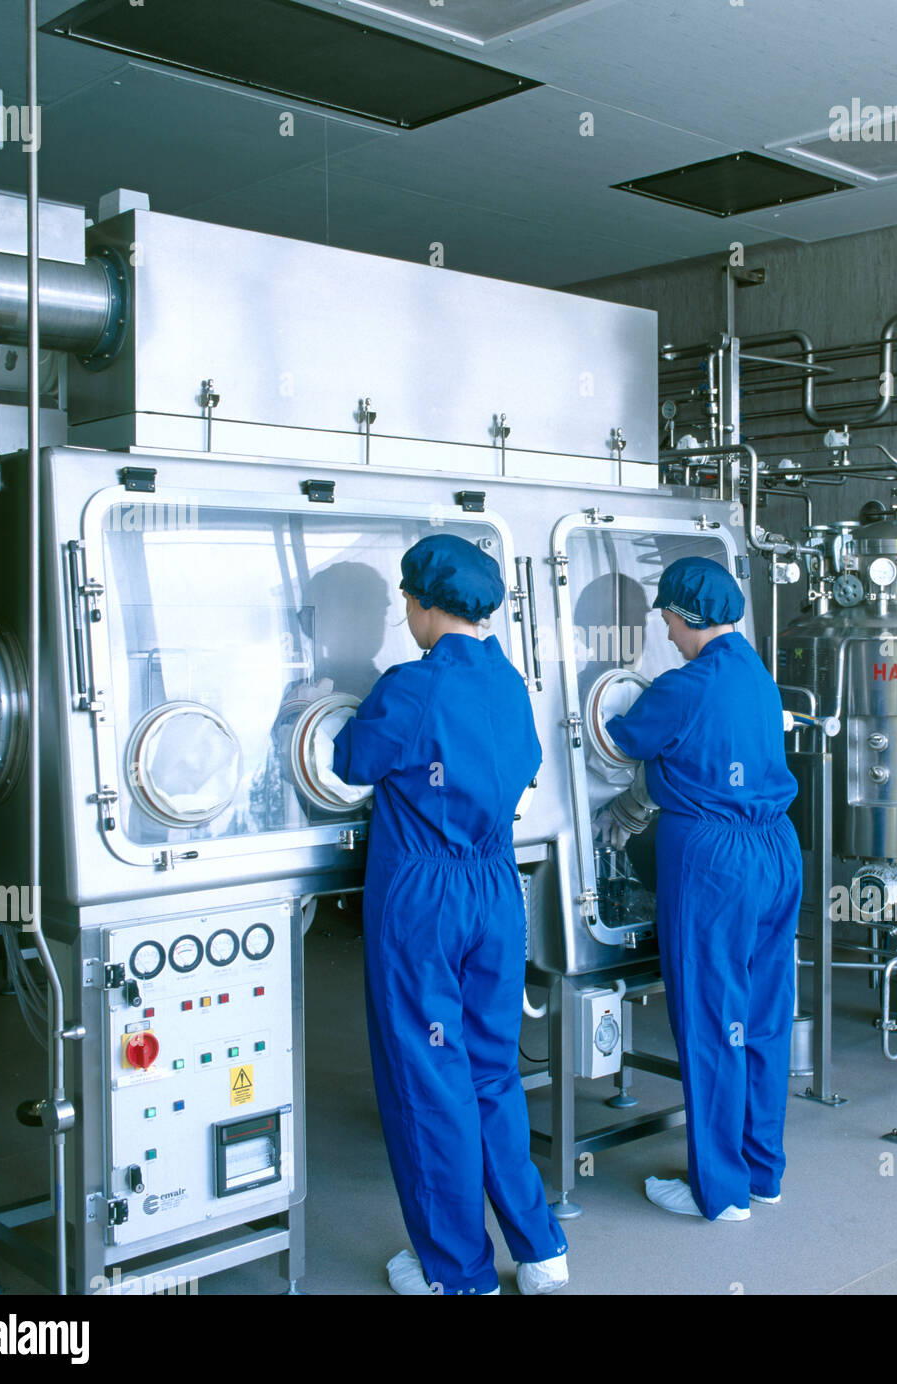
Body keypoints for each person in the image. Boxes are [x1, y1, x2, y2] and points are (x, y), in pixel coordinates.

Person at [331, 533, 568, 1294]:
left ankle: (457, 1272)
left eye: (405, 600)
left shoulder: (411, 685)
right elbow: (524, 766)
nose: (405, 613)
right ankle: (540, 1250)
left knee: (428, 1077)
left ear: (423, 603)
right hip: (497, 888)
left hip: (425, 901)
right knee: (492, 1072)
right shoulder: (509, 684)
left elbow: (349, 762)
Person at [601, 555, 802, 1222]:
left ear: (688, 617)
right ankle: (761, 1171)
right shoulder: (756, 673)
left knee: (714, 1020)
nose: (663, 630)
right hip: (777, 848)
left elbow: (622, 736)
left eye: (665, 617)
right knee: (764, 1015)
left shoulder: (686, 684)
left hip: (718, 864)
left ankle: (719, 1193)